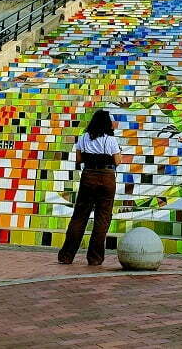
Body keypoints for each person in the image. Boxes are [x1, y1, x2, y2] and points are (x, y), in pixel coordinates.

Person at [58, 108, 122, 266]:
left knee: (79, 217)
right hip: (106, 178)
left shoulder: (84, 138)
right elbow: (117, 161)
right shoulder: (111, 140)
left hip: (88, 177)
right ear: (107, 124)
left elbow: (79, 159)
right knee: (102, 218)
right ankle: (95, 258)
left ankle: (66, 256)